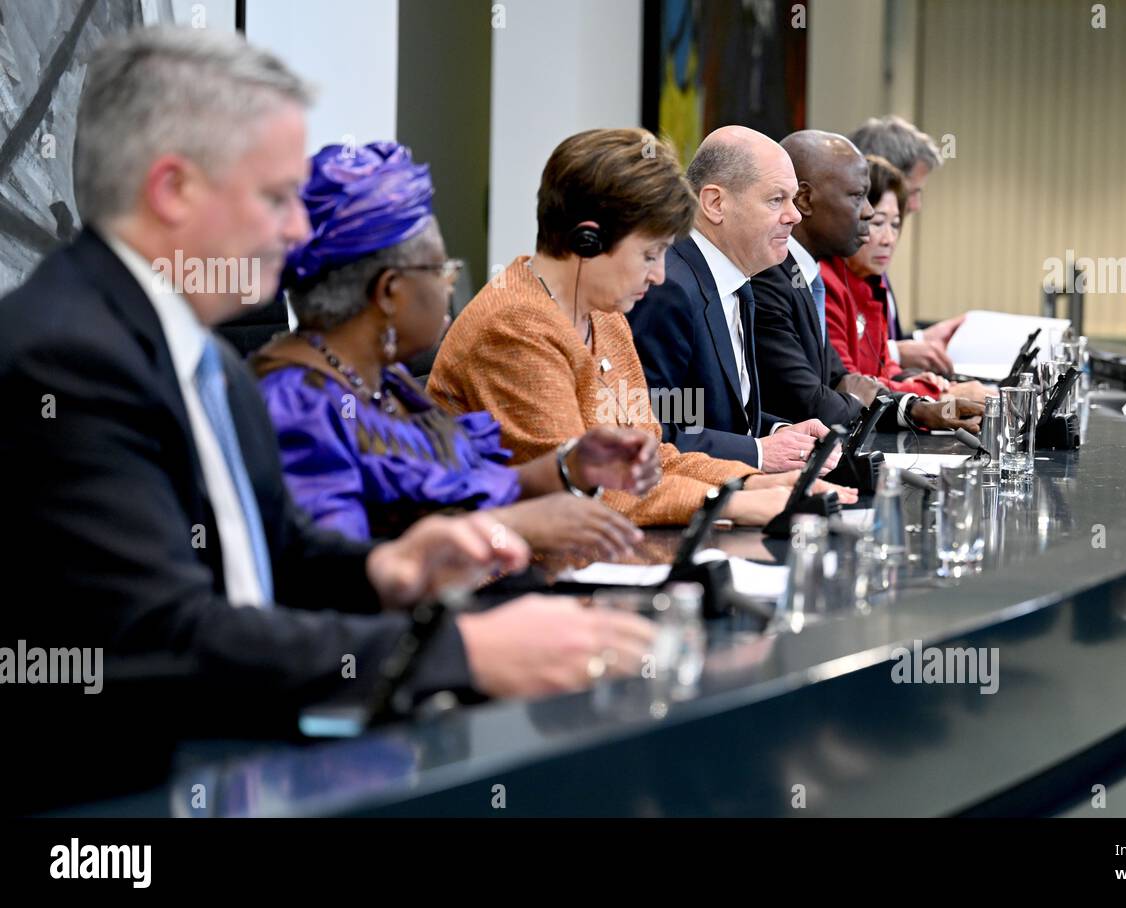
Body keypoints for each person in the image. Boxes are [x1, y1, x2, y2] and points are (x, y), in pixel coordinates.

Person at [0, 28, 654, 811]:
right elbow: (160, 636)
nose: (298, 232)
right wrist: (461, 651)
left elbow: (273, 552)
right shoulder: (69, 358)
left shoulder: (206, 363)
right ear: (174, 190)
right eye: (275, 197)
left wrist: (385, 570)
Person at [429, 128, 856, 527]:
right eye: (650, 255)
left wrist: (750, 481)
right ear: (587, 241)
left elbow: (653, 456)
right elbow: (577, 493)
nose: (657, 276)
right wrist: (731, 501)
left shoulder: (604, 314)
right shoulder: (516, 327)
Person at [255, 140, 656, 562]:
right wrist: (513, 528)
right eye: (441, 270)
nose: (449, 288)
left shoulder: (385, 385)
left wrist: (571, 466)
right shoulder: (298, 405)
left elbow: (467, 488)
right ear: (390, 292)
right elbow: (342, 573)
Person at [627, 126, 842, 475]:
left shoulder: (735, 277)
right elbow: (655, 433)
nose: (795, 215)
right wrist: (758, 452)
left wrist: (779, 432)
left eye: (792, 199)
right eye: (776, 200)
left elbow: (721, 416)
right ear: (715, 203)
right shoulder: (669, 288)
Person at [751, 130, 982, 434]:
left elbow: (836, 379)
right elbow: (813, 405)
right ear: (805, 200)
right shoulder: (770, 278)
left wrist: (919, 409)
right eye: (857, 197)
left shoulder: (804, 277)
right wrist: (855, 395)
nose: (868, 212)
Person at [824, 155, 992, 401]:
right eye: (878, 222)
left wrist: (920, 381)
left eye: (895, 225)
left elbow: (884, 366)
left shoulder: (872, 281)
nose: (889, 239)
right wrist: (940, 394)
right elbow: (849, 383)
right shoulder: (828, 281)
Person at [850, 115, 964, 375]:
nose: (915, 205)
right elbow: (847, 364)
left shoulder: (874, 256)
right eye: (912, 191)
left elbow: (880, 340)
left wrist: (921, 340)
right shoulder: (841, 270)